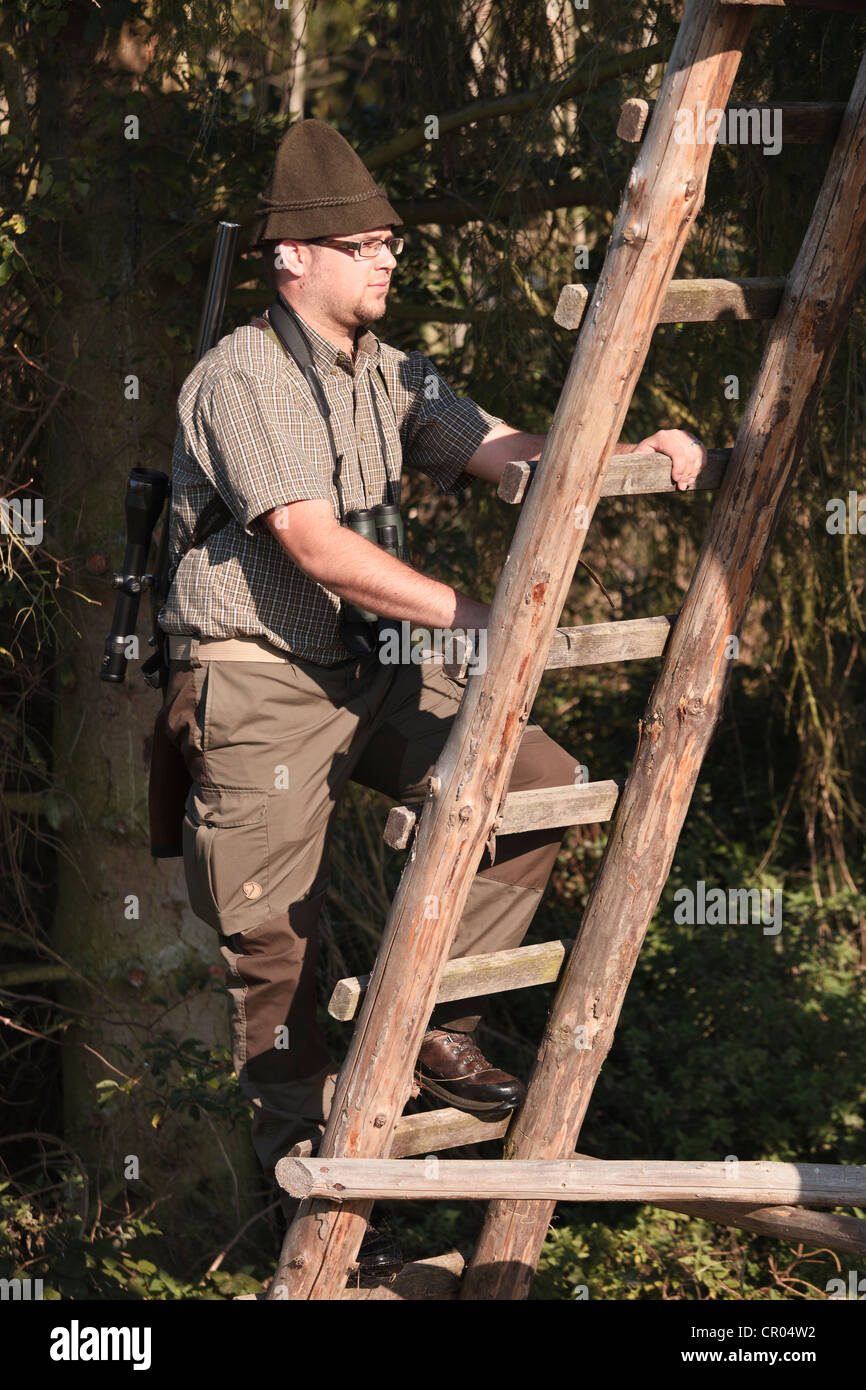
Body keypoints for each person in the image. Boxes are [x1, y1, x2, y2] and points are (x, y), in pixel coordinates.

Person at [159, 119, 706, 1273]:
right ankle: (312, 1239)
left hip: (371, 666)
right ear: (291, 259)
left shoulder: (397, 373)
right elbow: (310, 543)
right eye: (360, 245)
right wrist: (469, 614)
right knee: (275, 955)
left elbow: (511, 454)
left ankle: (437, 1028)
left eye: (390, 244)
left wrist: (633, 451)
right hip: (258, 676)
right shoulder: (241, 377)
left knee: (537, 784)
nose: (385, 262)